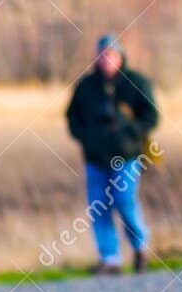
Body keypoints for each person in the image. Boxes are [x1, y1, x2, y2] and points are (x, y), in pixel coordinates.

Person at [64, 33, 160, 274]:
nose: (106, 59)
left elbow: (151, 115)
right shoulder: (86, 86)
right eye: (102, 55)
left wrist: (131, 132)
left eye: (110, 54)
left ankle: (139, 247)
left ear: (120, 56)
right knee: (98, 207)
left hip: (126, 156)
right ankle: (110, 258)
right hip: (95, 157)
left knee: (124, 201)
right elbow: (72, 115)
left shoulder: (136, 82)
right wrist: (85, 136)